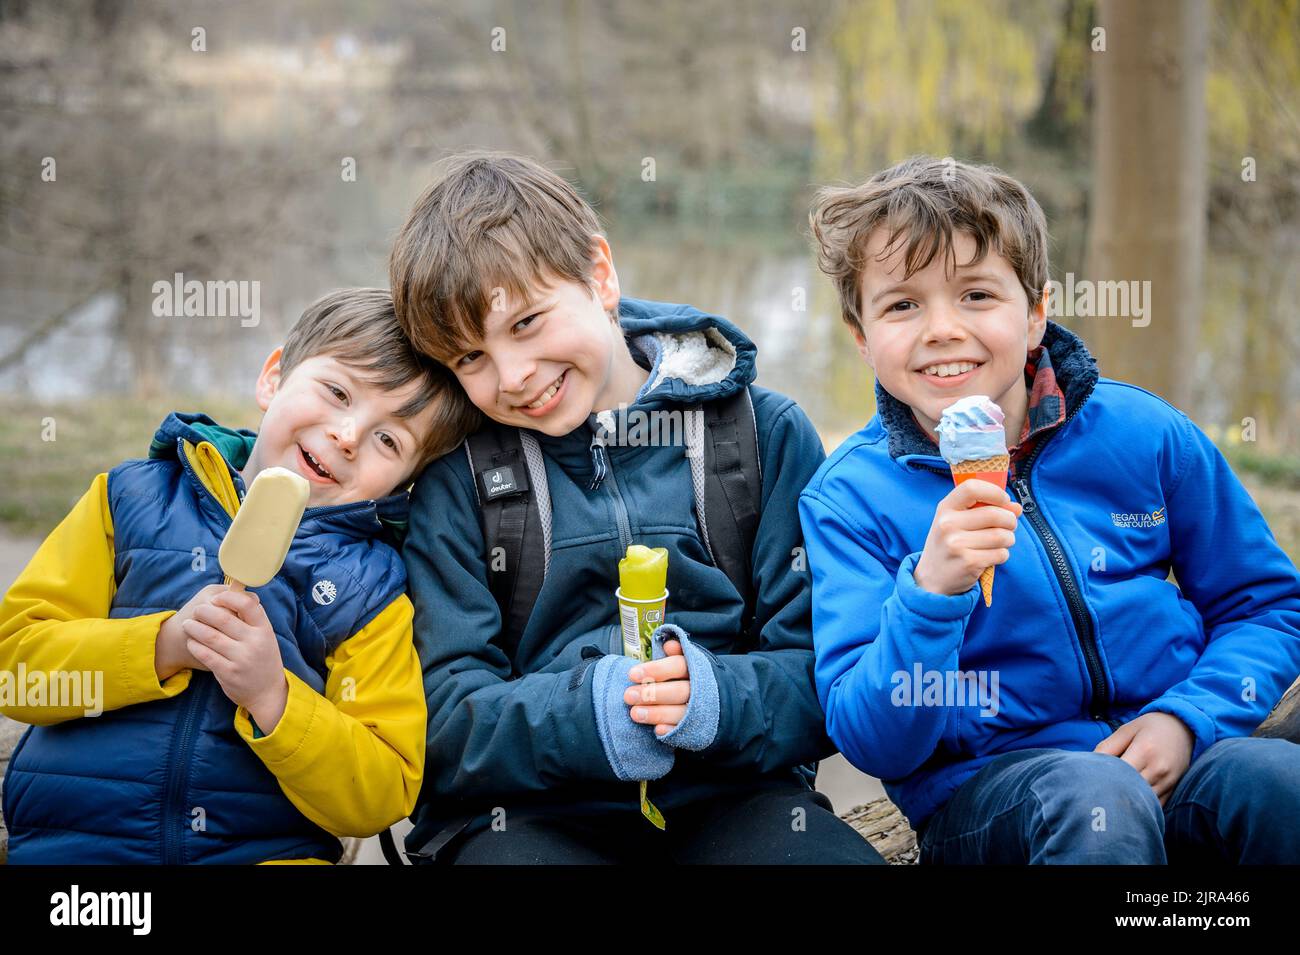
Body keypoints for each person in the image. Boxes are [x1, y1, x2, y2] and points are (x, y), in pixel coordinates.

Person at [799, 155, 1300, 864]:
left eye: (976, 295)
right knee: (1096, 799)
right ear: (861, 337)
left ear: (1036, 314)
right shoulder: (849, 497)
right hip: (998, 795)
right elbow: (873, 736)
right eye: (902, 304)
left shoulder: (1144, 433)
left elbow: (1266, 603)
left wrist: (1189, 717)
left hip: (1176, 753)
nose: (941, 328)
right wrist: (930, 593)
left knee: (1277, 780)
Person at [387, 150, 884, 864]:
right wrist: (587, 712)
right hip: (523, 818)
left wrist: (714, 697)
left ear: (601, 274)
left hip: (735, 795)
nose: (514, 376)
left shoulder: (761, 435)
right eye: (470, 358)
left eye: (527, 323)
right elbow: (438, 721)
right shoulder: (457, 480)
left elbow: (824, 672)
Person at [0, 287, 480, 864]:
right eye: (336, 392)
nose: (348, 436)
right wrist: (163, 645)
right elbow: (15, 669)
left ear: (408, 479)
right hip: (77, 850)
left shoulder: (370, 589)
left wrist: (274, 698)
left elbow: (383, 792)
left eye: (388, 440)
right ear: (273, 377)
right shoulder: (129, 499)